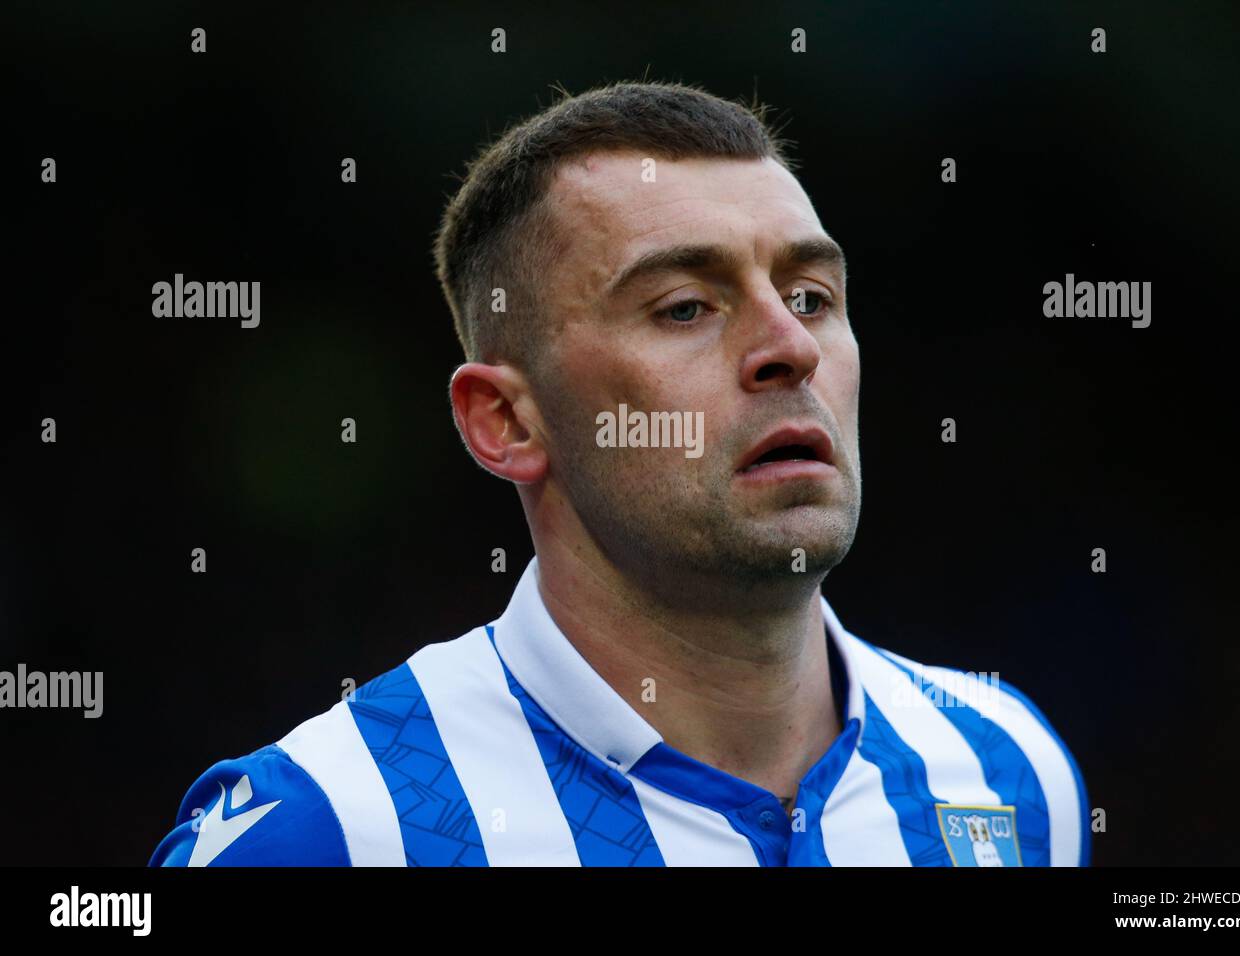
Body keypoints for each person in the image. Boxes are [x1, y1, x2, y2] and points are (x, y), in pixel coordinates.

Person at [150, 80, 1089, 867]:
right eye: (685, 307)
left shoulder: (1007, 767)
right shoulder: (334, 827)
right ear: (508, 422)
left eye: (811, 296)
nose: (791, 348)